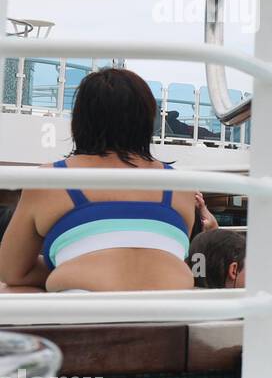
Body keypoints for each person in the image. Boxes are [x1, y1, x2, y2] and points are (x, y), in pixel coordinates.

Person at [0, 67, 196, 292]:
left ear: (81, 120)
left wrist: (71, 265)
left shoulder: (50, 179)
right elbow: (163, 253)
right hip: (173, 313)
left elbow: (13, 271)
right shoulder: (181, 185)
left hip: (84, 311)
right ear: (146, 120)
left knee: (11, 291)